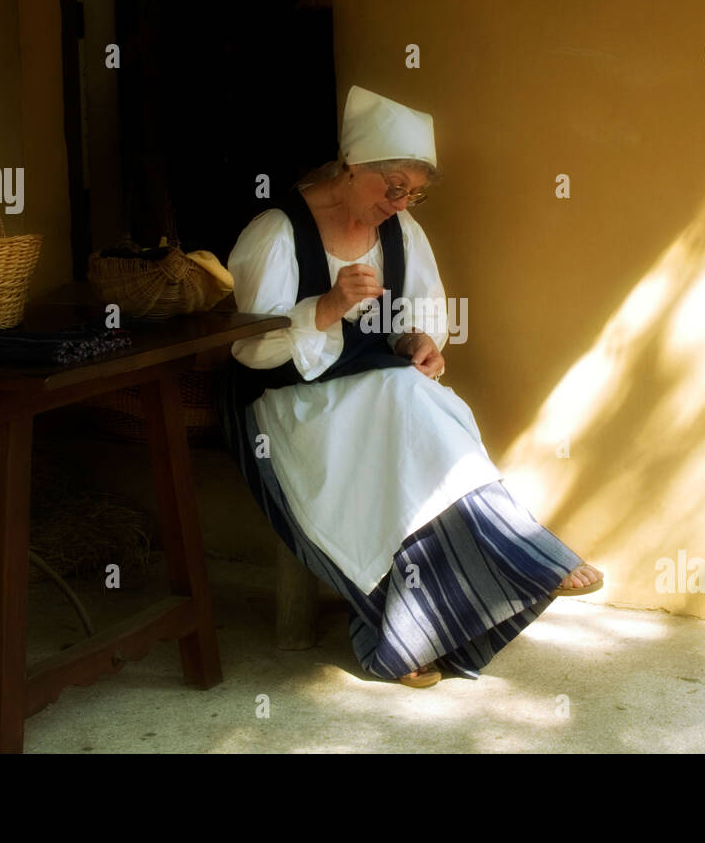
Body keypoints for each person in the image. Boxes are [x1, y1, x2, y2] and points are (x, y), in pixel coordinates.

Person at [218, 85, 603, 688]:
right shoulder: (277, 231)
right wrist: (326, 306)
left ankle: (418, 633)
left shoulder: (402, 233)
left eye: (413, 191)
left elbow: (418, 315)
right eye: (392, 187)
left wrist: (418, 343)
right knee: (404, 403)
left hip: (375, 392)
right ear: (350, 169)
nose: (401, 203)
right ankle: (521, 553)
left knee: (426, 404)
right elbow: (249, 346)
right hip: (285, 405)